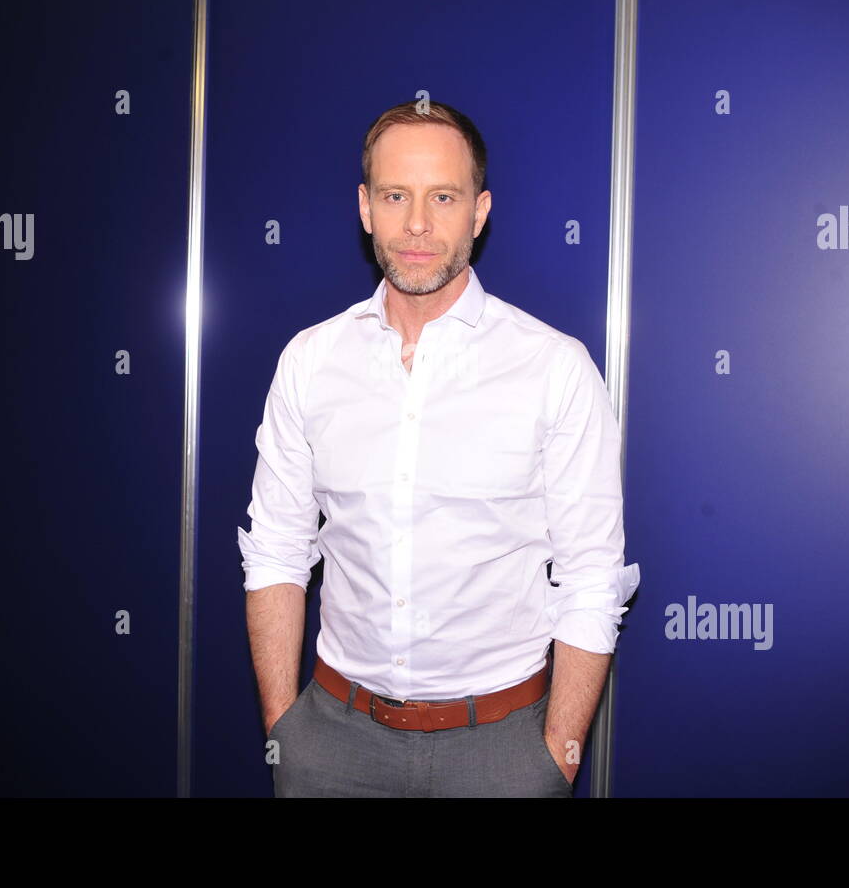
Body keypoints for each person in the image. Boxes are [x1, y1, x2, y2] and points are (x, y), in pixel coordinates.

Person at [236, 100, 640, 797]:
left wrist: (553, 761)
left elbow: (592, 578)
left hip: (503, 753)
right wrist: (285, 730)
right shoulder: (309, 361)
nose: (417, 223)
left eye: (443, 197)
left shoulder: (554, 368)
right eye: (396, 196)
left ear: (479, 212)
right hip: (330, 746)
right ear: (366, 208)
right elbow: (275, 549)